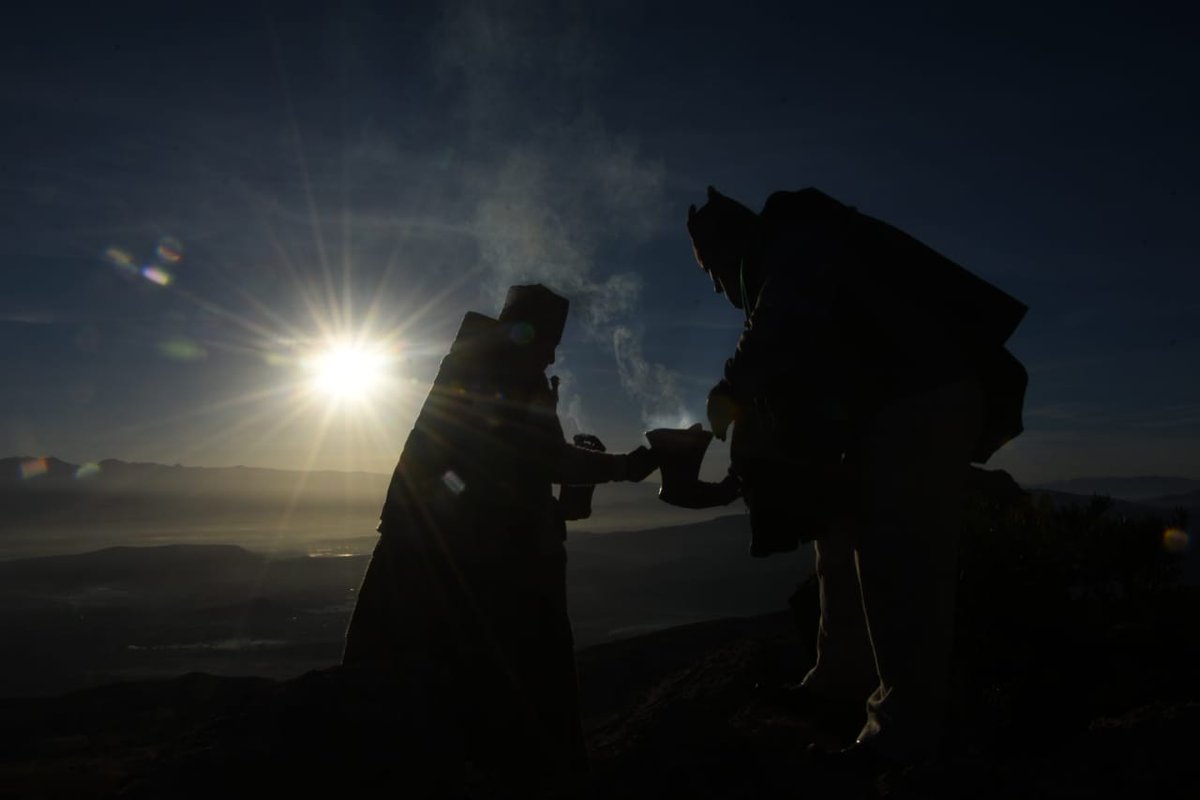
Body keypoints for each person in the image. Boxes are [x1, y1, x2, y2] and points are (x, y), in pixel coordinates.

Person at [680, 186, 1028, 780]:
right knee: (838, 541)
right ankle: (838, 681)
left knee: (898, 565)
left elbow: (780, 320)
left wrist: (729, 389)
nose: (717, 287)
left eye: (712, 270)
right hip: (892, 406)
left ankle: (902, 745)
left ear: (729, 244)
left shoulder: (795, 245)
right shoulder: (800, 247)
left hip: (920, 399)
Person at [343, 284, 657, 793]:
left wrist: (562, 498)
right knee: (514, 704)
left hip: (438, 553)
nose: (553, 352)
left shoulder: (481, 367)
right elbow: (539, 459)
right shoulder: (504, 370)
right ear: (523, 329)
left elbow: (501, 474)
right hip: (475, 570)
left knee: (415, 700)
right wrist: (625, 465)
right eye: (548, 338)